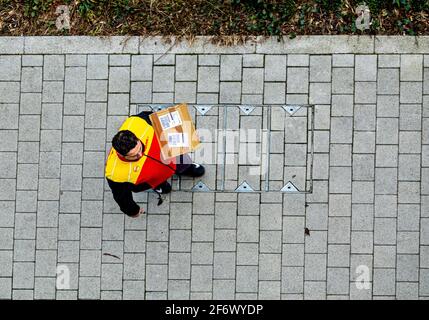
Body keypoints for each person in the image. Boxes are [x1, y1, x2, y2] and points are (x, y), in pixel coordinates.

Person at [105, 111, 205, 218]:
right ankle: (159, 185)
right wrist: (133, 211)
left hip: (169, 152)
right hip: (150, 179)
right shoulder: (114, 174)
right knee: (158, 182)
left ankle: (186, 167)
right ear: (121, 154)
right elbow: (122, 197)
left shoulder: (137, 122)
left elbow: (159, 118)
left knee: (183, 161)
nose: (140, 154)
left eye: (140, 148)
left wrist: (187, 131)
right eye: (134, 155)